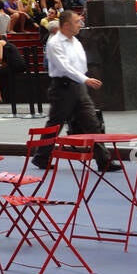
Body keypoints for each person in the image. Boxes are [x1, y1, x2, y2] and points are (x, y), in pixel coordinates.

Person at [32, 11, 112, 171]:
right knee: (54, 125)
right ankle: (41, 157)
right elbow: (64, 67)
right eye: (76, 22)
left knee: (92, 123)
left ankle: (104, 161)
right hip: (62, 87)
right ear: (66, 25)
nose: (79, 24)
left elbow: (80, 64)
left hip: (78, 86)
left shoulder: (75, 41)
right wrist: (85, 79)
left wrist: (83, 80)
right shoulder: (54, 43)